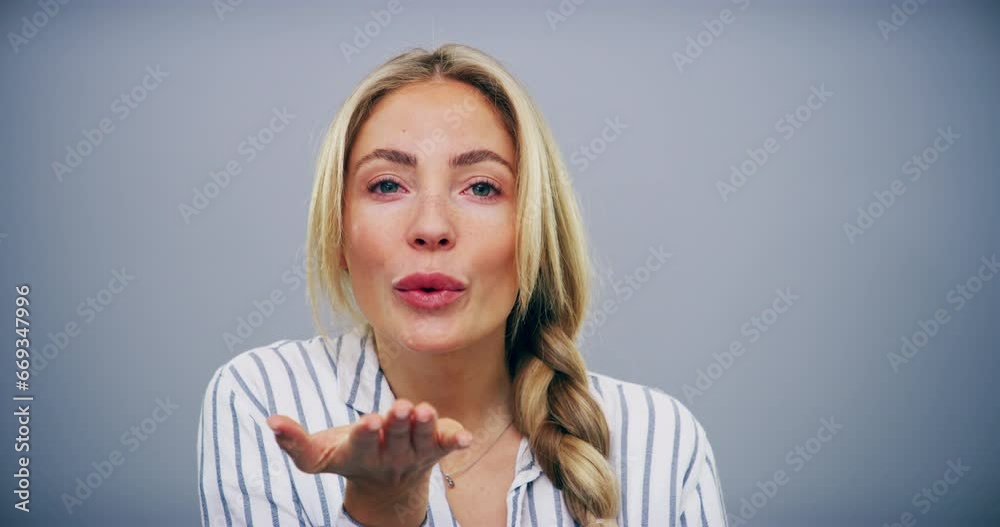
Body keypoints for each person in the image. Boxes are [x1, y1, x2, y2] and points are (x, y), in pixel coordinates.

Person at [197, 42, 727, 527]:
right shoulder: (264, 400)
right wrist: (383, 512)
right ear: (338, 233)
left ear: (534, 234)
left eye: (480, 187)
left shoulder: (662, 440)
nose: (431, 228)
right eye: (386, 185)